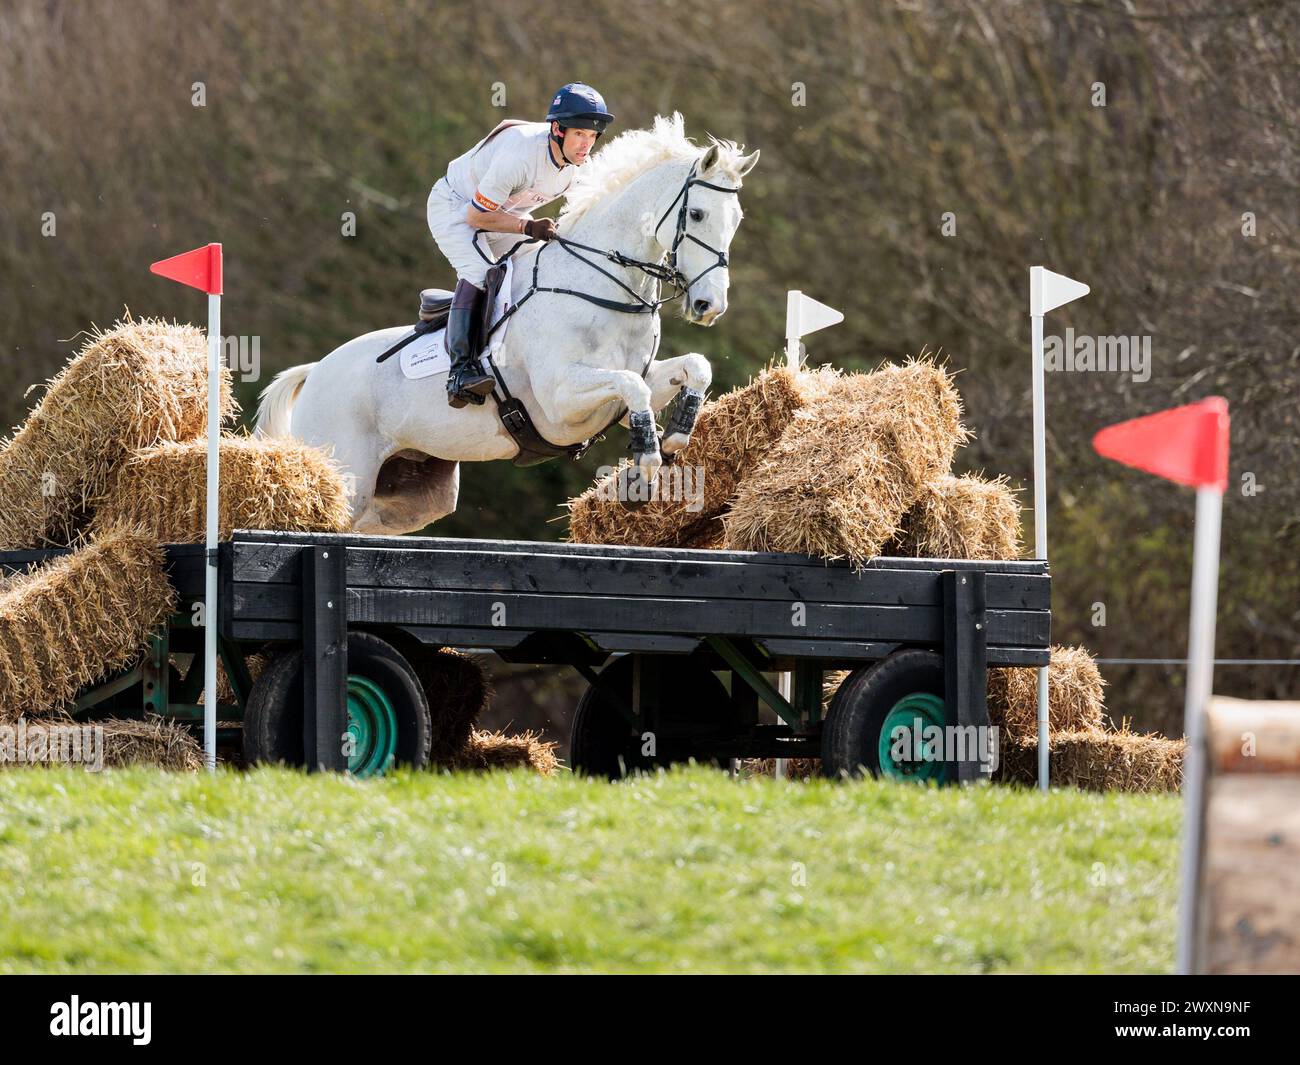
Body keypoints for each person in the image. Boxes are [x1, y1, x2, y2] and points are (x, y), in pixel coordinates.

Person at [426, 83, 615, 407]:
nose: (587, 145)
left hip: (503, 213)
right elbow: (476, 217)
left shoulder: (576, 164)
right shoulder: (521, 156)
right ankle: (460, 372)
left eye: (593, 136)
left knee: (545, 263)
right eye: (580, 135)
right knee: (484, 273)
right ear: (557, 129)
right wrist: (527, 226)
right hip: (456, 209)